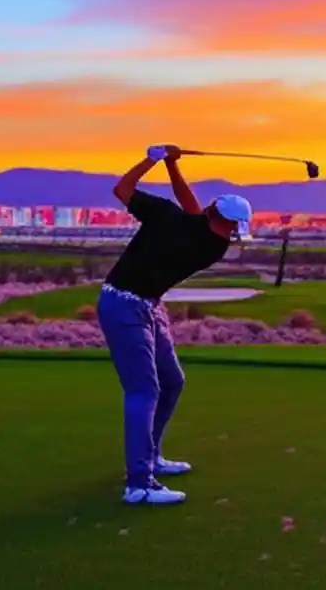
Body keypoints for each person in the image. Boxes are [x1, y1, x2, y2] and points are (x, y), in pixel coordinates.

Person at [98, 144, 253, 505]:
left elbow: (123, 189)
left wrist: (156, 160)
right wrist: (169, 165)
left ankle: (150, 458)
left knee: (172, 381)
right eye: (233, 226)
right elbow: (191, 208)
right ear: (223, 221)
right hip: (122, 305)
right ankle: (139, 484)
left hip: (147, 306)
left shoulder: (193, 230)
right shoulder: (209, 238)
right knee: (144, 392)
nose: (233, 233)